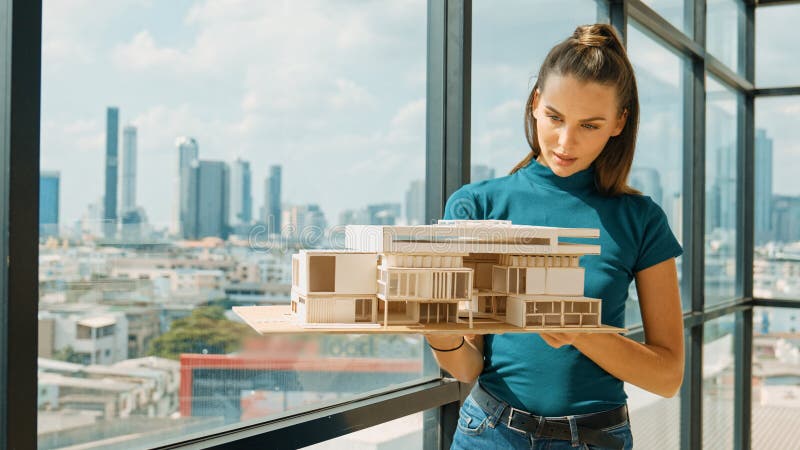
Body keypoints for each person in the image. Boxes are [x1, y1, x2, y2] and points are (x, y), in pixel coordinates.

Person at [425, 24, 684, 450]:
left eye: (590, 125)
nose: (566, 141)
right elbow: (468, 368)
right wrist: (439, 334)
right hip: (489, 434)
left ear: (619, 123)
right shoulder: (476, 207)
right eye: (555, 117)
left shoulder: (641, 220)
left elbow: (668, 377)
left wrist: (578, 331)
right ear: (534, 104)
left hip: (595, 440)